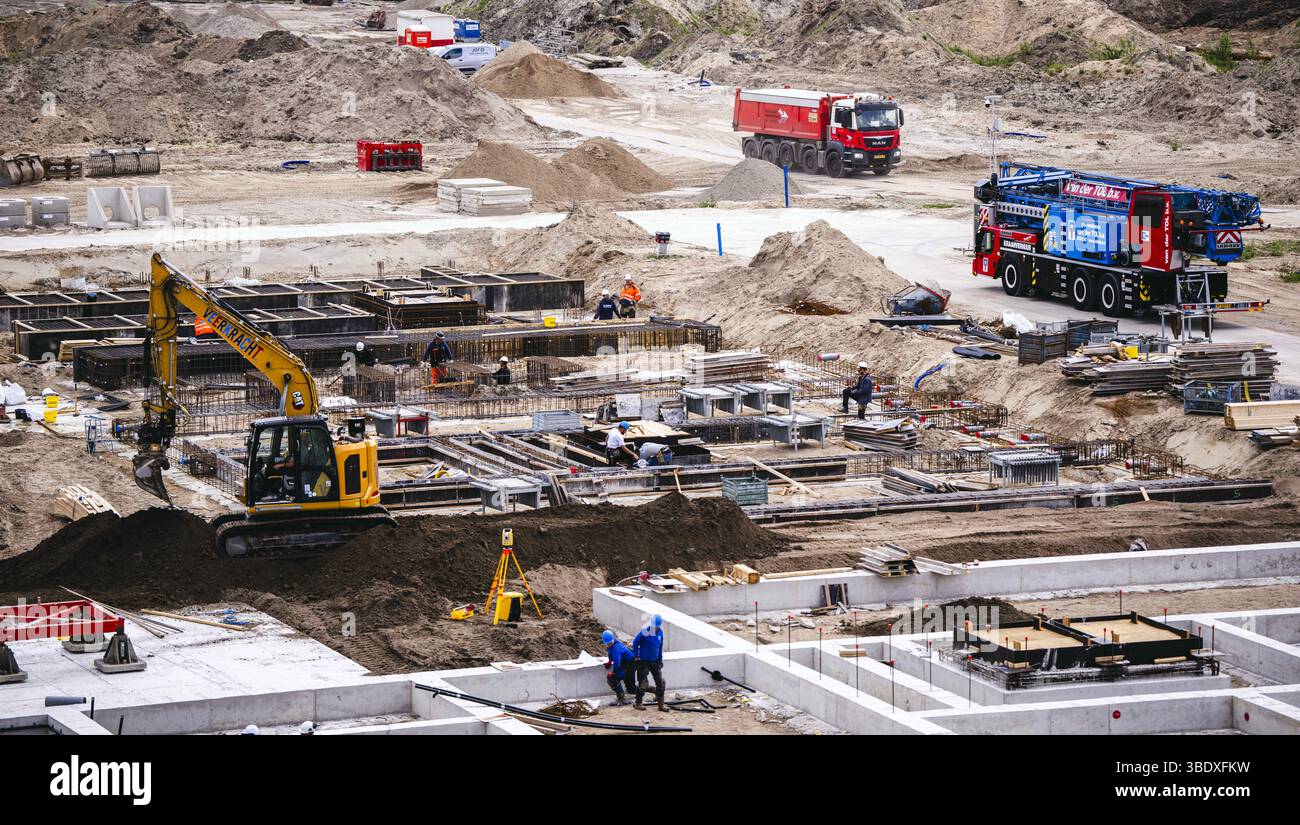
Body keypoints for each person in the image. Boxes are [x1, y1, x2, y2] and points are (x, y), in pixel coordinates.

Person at [632, 615, 667, 712]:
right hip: (644, 662)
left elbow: (660, 647)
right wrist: (637, 655)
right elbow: (635, 643)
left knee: (660, 682)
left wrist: (660, 659)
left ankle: (661, 705)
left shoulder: (660, 633)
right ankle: (638, 703)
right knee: (643, 684)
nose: (654, 627)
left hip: (655, 661)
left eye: (656, 626)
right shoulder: (645, 631)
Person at [602, 630, 635, 706]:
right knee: (613, 679)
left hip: (629, 665)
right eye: (607, 643)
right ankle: (621, 698)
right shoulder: (612, 645)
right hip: (625, 664)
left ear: (613, 639)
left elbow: (617, 663)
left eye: (610, 643)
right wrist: (609, 662)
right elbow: (611, 653)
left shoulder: (617, 648)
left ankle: (653, 690)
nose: (609, 644)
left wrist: (614, 673)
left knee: (631, 689)